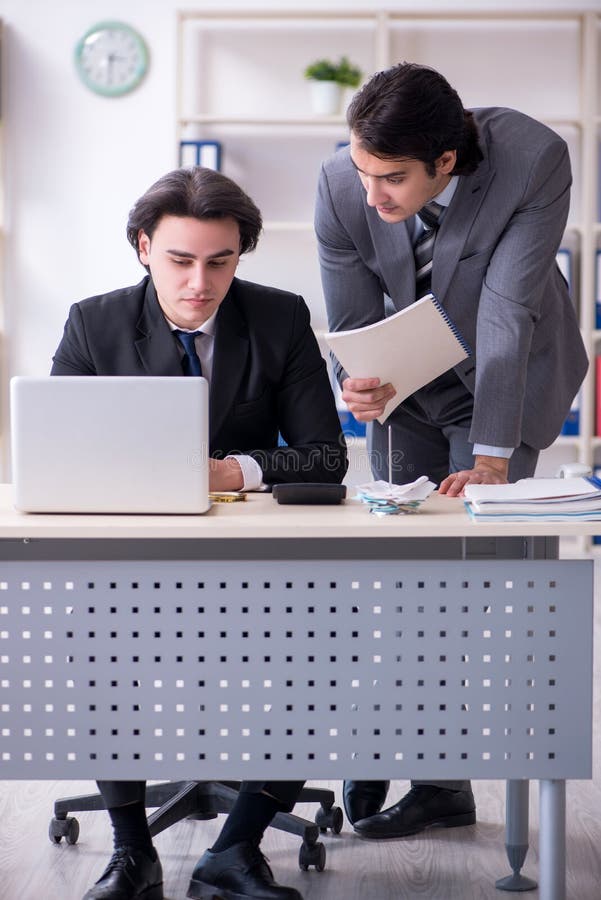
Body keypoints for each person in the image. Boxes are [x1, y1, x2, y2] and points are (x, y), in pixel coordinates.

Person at [51, 166, 347, 900]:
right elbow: (55, 452)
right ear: (144, 247)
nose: (198, 282)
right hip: (130, 559)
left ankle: (236, 848)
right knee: (98, 650)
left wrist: (236, 471)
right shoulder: (94, 323)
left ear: (240, 255)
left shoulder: (278, 319)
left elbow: (324, 456)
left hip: (254, 559)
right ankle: (132, 853)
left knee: (324, 646)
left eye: (220, 261)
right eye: (180, 260)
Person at [315, 62, 587, 840]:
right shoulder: (342, 183)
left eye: (391, 178)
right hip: (411, 384)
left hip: (506, 376)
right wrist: (357, 382)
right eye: (363, 171)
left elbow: (507, 312)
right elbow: (352, 315)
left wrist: (493, 460)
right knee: (398, 581)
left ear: (444, 160)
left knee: (469, 589)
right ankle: (392, 740)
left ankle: (441, 782)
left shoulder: (532, 159)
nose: (372, 195)